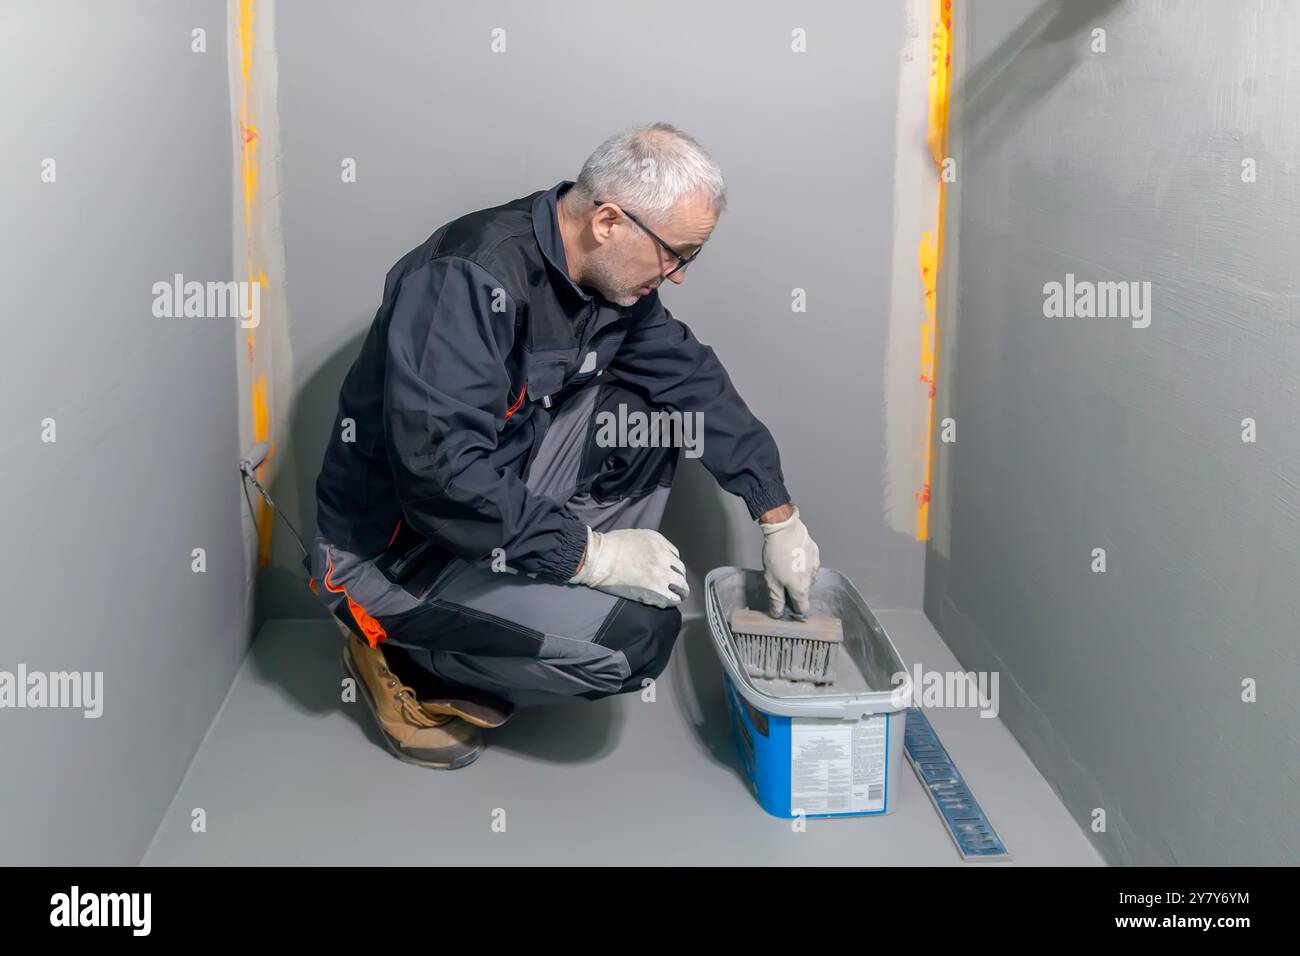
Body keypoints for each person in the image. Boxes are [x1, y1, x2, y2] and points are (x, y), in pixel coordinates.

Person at [306, 122, 821, 769]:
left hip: (500, 493)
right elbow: (440, 477)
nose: (679, 276)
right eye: (676, 254)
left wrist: (779, 514)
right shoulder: (467, 281)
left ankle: (543, 596)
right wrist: (591, 554)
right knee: (636, 641)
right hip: (396, 554)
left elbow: (692, 379)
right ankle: (407, 660)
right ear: (608, 221)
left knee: (650, 416)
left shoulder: (607, 281)